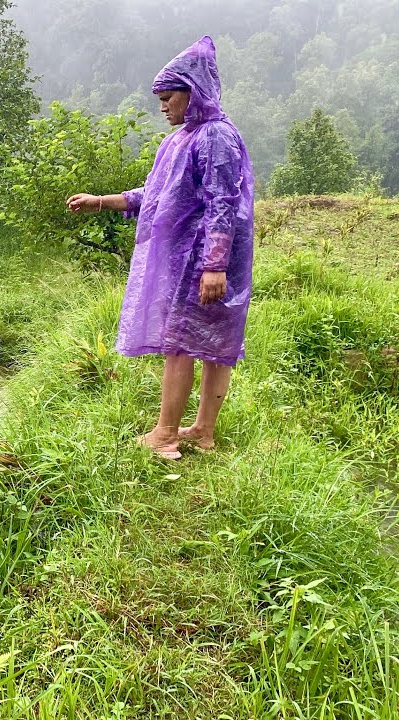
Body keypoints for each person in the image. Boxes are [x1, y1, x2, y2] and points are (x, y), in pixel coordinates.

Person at [67, 36, 254, 460]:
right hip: (196, 258)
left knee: (184, 341)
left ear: (195, 92)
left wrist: (214, 265)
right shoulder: (182, 140)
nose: (163, 106)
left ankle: (167, 434)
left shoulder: (217, 137)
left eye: (169, 97)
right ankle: (202, 432)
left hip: (204, 260)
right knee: (204, 341)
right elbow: (155, 194)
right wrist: (101, 202)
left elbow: (222, 202)